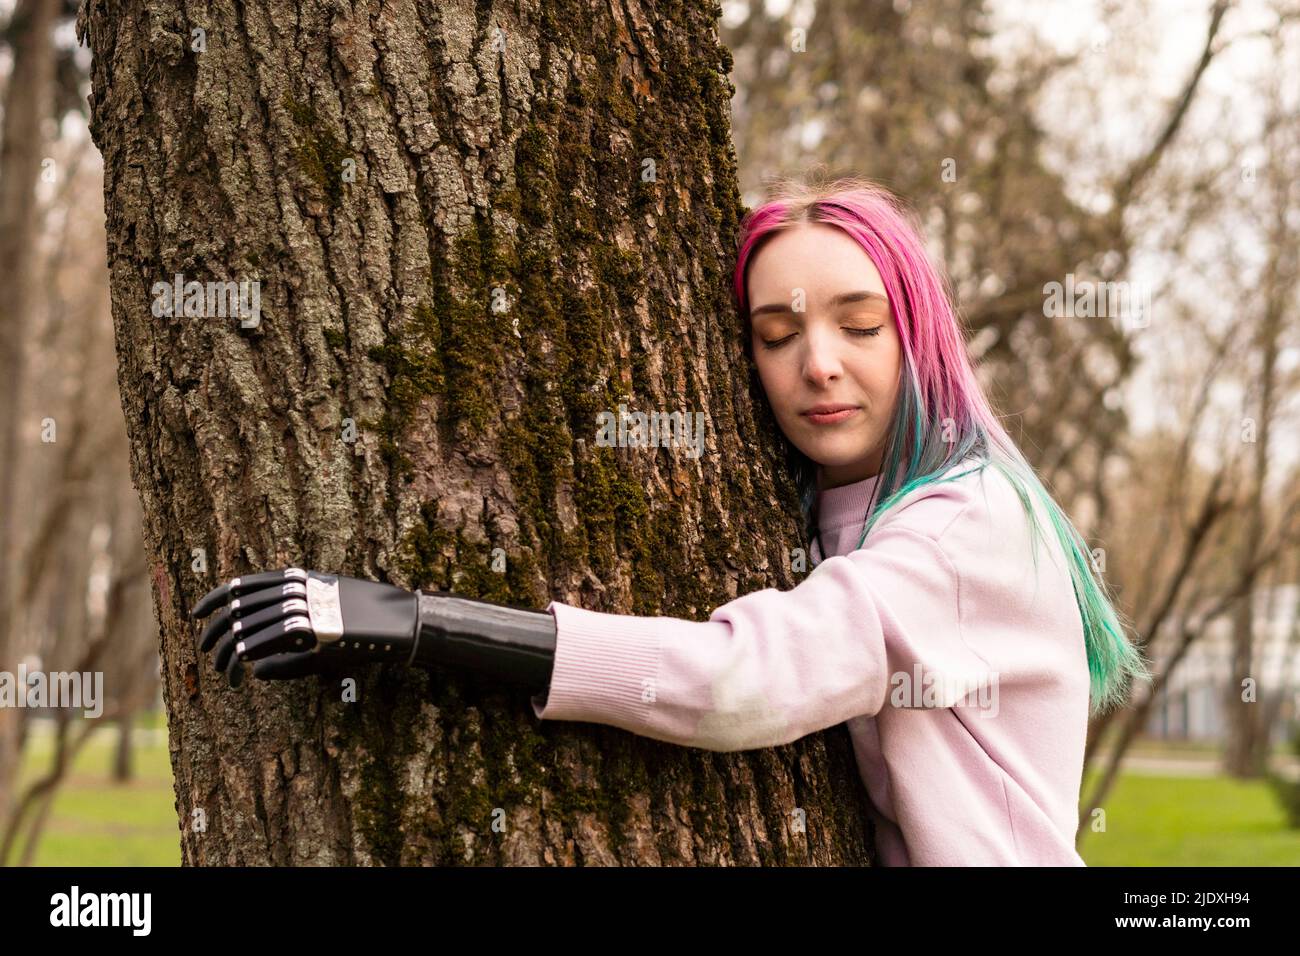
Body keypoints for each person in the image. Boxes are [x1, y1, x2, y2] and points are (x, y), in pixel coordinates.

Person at [190, 176, 1151, 865]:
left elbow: (745, 681)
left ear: (921, 337)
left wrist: (413, 621)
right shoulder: (846, 507)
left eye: (860, 327)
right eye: (777, 335)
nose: (817, 363)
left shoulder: (963, 527)